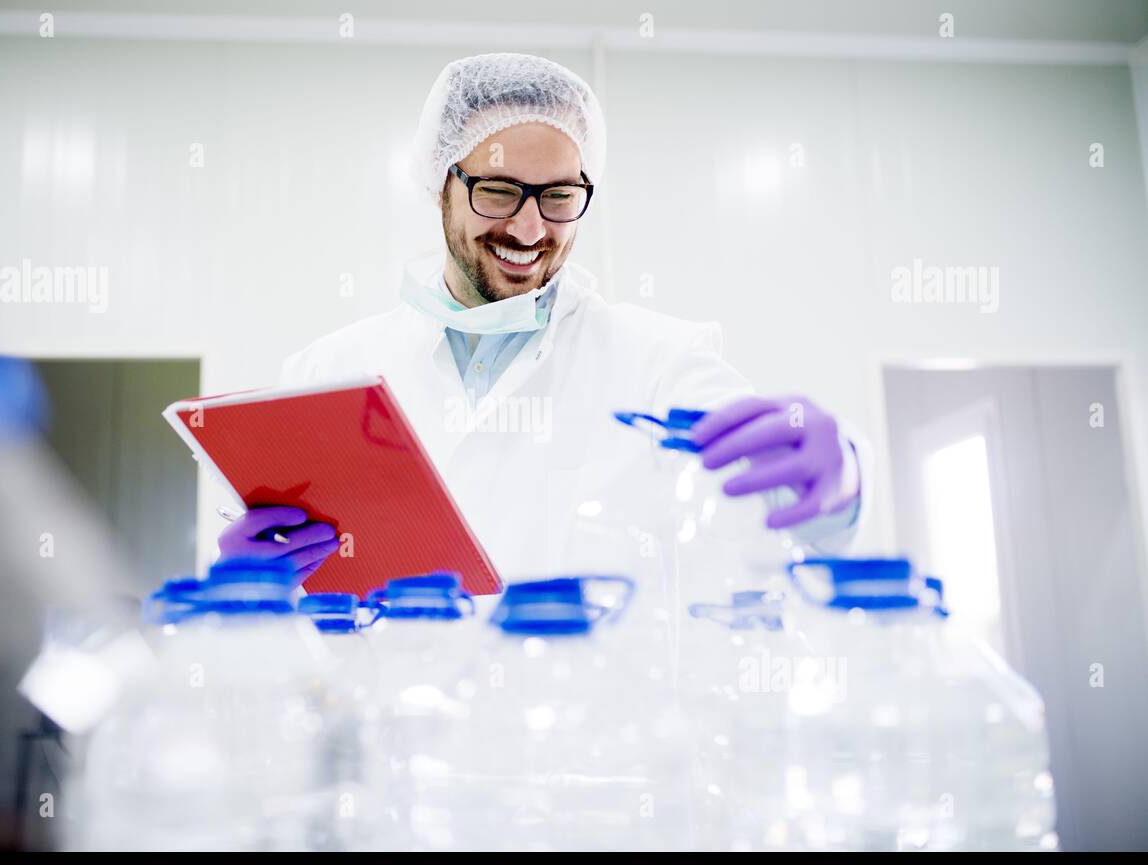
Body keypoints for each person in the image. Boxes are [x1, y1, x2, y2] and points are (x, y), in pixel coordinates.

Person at [218, 53, 868, 583]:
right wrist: (248, 588)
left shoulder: (660, 362)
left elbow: (775, 517)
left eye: (559, 196)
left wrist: (838, 480)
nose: (530, 228)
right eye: (499, 191)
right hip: (384, 736)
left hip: (585, 738)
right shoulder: (326, 374)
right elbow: (289, 617)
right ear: (440, 184)